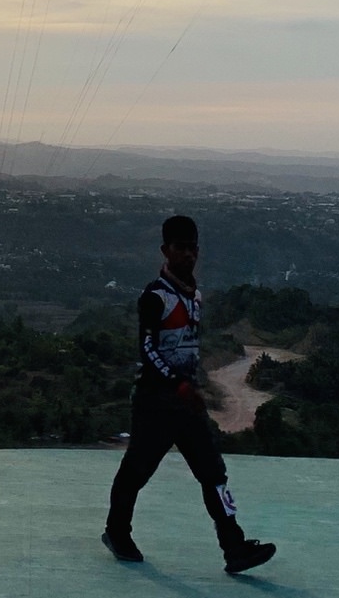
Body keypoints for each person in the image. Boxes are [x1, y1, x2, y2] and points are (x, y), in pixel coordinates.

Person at [103, 214, 275, 575]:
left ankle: (234, 547)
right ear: (165, 250)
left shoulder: (195, 296)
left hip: (186, 403)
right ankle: (117, 533)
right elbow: (147, 350)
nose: (188, 255)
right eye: (181, 248)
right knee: (136, 471)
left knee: (214, 472)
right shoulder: (155, 297)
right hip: (155, 401)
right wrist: (178, 384)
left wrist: (191, 386)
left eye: (193, 248)